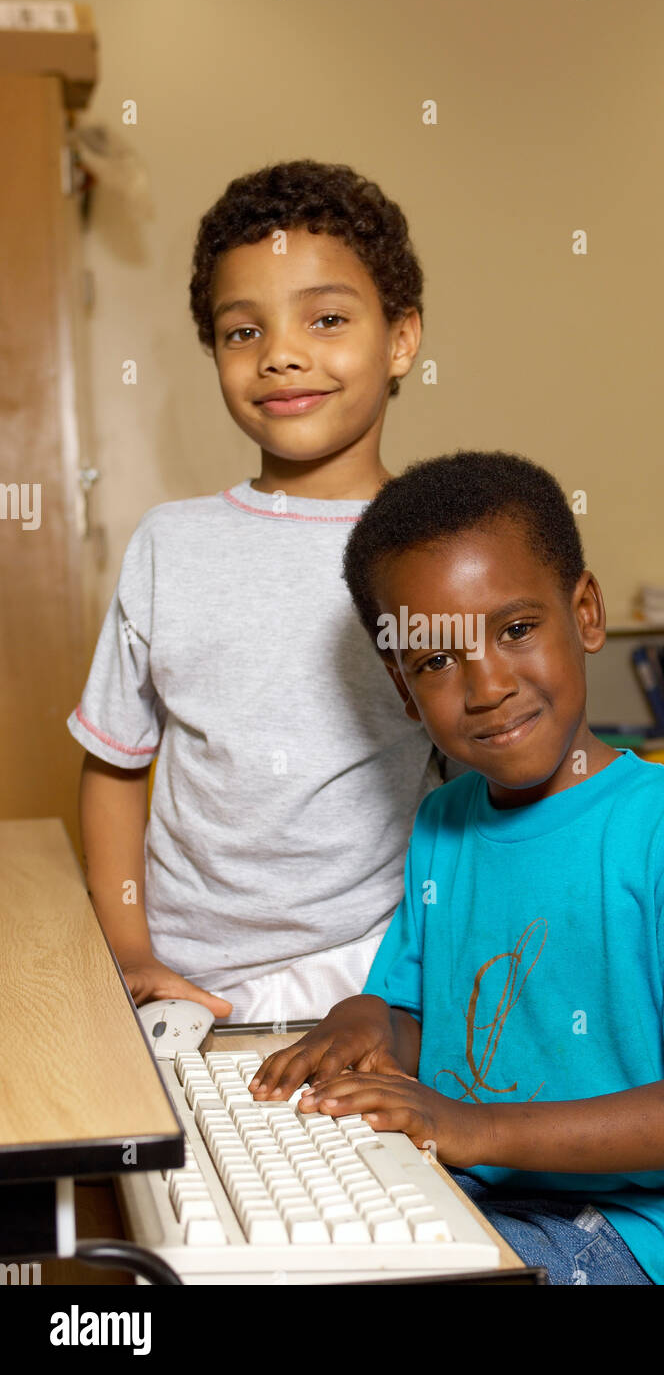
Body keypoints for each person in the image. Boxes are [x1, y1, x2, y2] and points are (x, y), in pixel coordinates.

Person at [248, 449, 664, 1285]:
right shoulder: (444, 822)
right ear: (404, 689)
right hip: (477, 1189)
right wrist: (368, 1017)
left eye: (515, 629)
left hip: (635, 1226)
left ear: (583, 613)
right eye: (437, 660)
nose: (485, 686)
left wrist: (470, 1128)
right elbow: (432, 1024)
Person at [68, 160, 439, 1024]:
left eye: (327, 318)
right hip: (183, 979)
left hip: (371, 980)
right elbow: (116, 766)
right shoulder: (172, 544)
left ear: (401, 339)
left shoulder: (439, 551)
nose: (280, 353)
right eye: (243, 332)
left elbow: (484, 784)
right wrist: (129, 950)